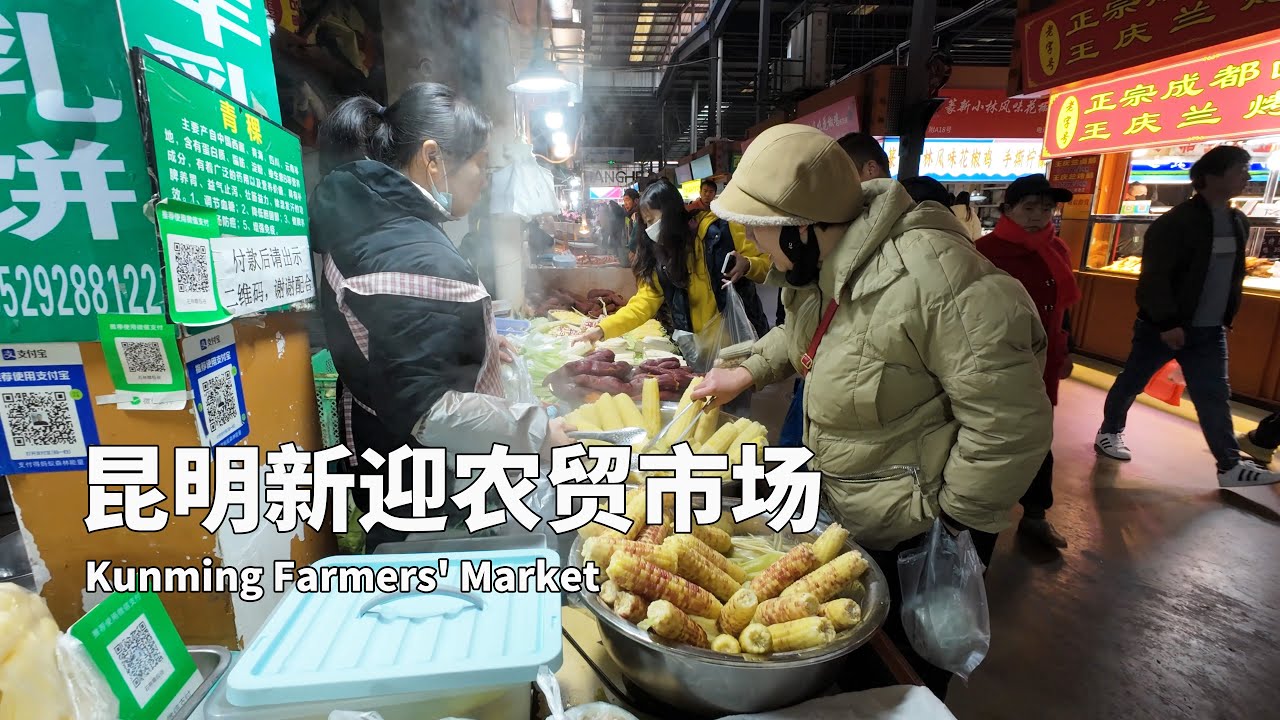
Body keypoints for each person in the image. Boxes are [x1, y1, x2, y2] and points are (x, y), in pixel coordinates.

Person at [692, 124, 1052, 697]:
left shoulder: (938, 278)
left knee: (901, 682)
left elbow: (1011, 423)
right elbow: (806, 335)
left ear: (803, 229)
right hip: (853, 519)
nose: (757, 247)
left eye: (762, 234)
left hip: (918, 534)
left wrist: (949, 521)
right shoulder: (825, 267)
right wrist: (749, 368)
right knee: (846, 673)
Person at [311, 83, 573, 552]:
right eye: (480, 164)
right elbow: (429, 409)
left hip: (386, 455)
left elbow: (395, 347)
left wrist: (481, 342)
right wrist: (537, 432)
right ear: (432, 159)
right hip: (424, 479)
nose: (484, 178)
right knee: (424, 581)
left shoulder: (380, 226)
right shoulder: (410, 253)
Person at [1095, 146, 1279, 487]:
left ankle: (1229, 464)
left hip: (1210, 330)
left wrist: (1225, 316)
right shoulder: (1176, 222)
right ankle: (1109, 432)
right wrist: (1167, 322)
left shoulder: (1237, 221)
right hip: (1162, 327)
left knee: (1213, 394)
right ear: (1213, 176)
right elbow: (1154, 278)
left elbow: (1232, 274)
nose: (1247, 177)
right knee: (1132, 381)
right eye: (1241, 170)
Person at [976, 174, 1082, 550]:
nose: (1039, 216)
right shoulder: (984, 251)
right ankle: (973, 516)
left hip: (1045, 362)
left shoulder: (1057, 250)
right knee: (987, 437)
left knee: (1039, 437)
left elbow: (1062, 310)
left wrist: (1065, 351)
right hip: (997, 363)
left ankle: (1035, 516)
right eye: (1029, 208)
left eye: (1047, 208)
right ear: (1007, 210)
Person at [779, 133, 892, 449]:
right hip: (826, 422)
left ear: (869, 171)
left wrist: (952, 499)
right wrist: (751, 368)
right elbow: (812, 322)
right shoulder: (835, 245)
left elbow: (998, 414)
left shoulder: (920, 260)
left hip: (878, 474)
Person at [574, 180, 772, 348]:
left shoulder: (721, 232)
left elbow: (768, 267)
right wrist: (601, 331)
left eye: (654, 219)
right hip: (697, 350)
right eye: (647, 222)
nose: (651, 229)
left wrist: (748, 265)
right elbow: (644, 302)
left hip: (738, 346)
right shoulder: (661, 255)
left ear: (671, 212)